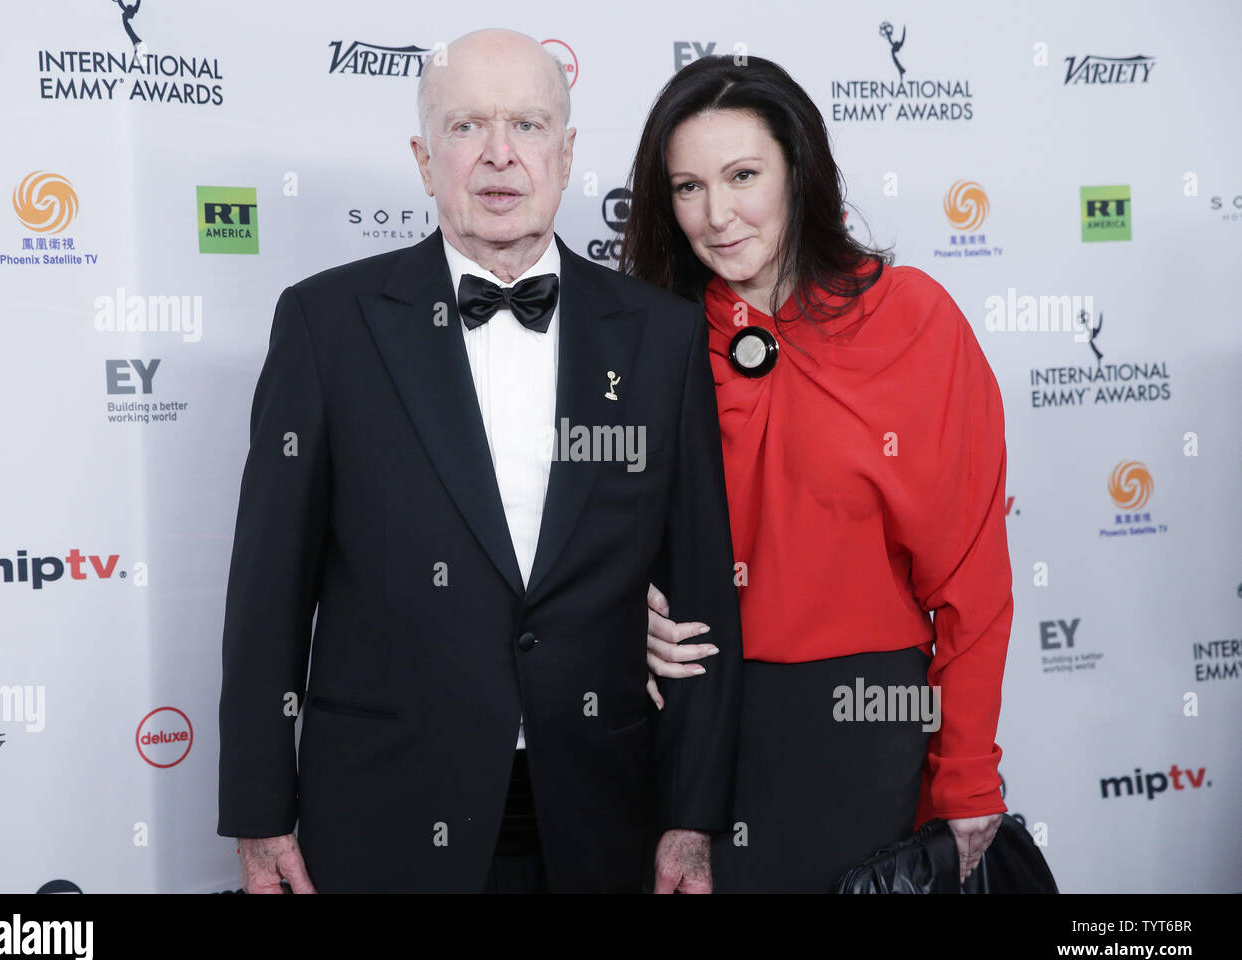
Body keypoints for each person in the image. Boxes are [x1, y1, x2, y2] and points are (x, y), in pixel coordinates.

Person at [216, 29, 742, 893]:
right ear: (425, 161)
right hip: (383, 797)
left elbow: (700, 590)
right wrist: (258, 810)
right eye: (467, 127)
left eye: (529, 125)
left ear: (566, 154)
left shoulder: (662, 335)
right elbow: (269, 588)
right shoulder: (327, 324)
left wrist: (694, 814)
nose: (500, 153)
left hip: (604, 805)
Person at [621, 54, 1011, 892]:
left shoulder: (913, 319)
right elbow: (581, 545)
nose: (716, 215)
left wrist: (969, 774)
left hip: (871, 723)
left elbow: (972, 576)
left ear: (801, 172)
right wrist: (626, 617)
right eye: (688, 187)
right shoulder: (648, 339)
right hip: (692, 733)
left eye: (743, 175)